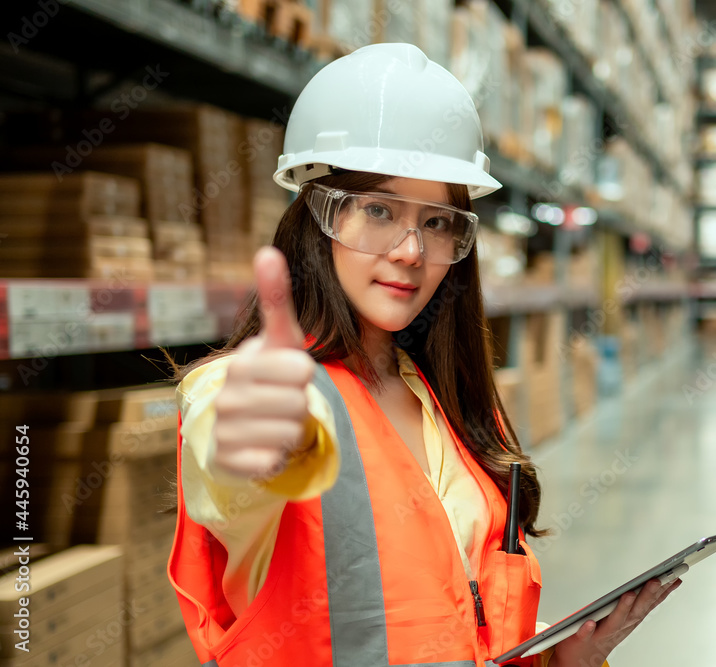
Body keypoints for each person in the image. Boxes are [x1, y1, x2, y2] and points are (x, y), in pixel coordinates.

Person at [168, 42, 680, 667]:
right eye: (378, 210)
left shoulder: (445, 400)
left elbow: (448, 621)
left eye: (437, 222)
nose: (411, 250)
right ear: (316, 215)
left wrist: (555, 658)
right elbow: (231, 464)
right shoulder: (246, 394)